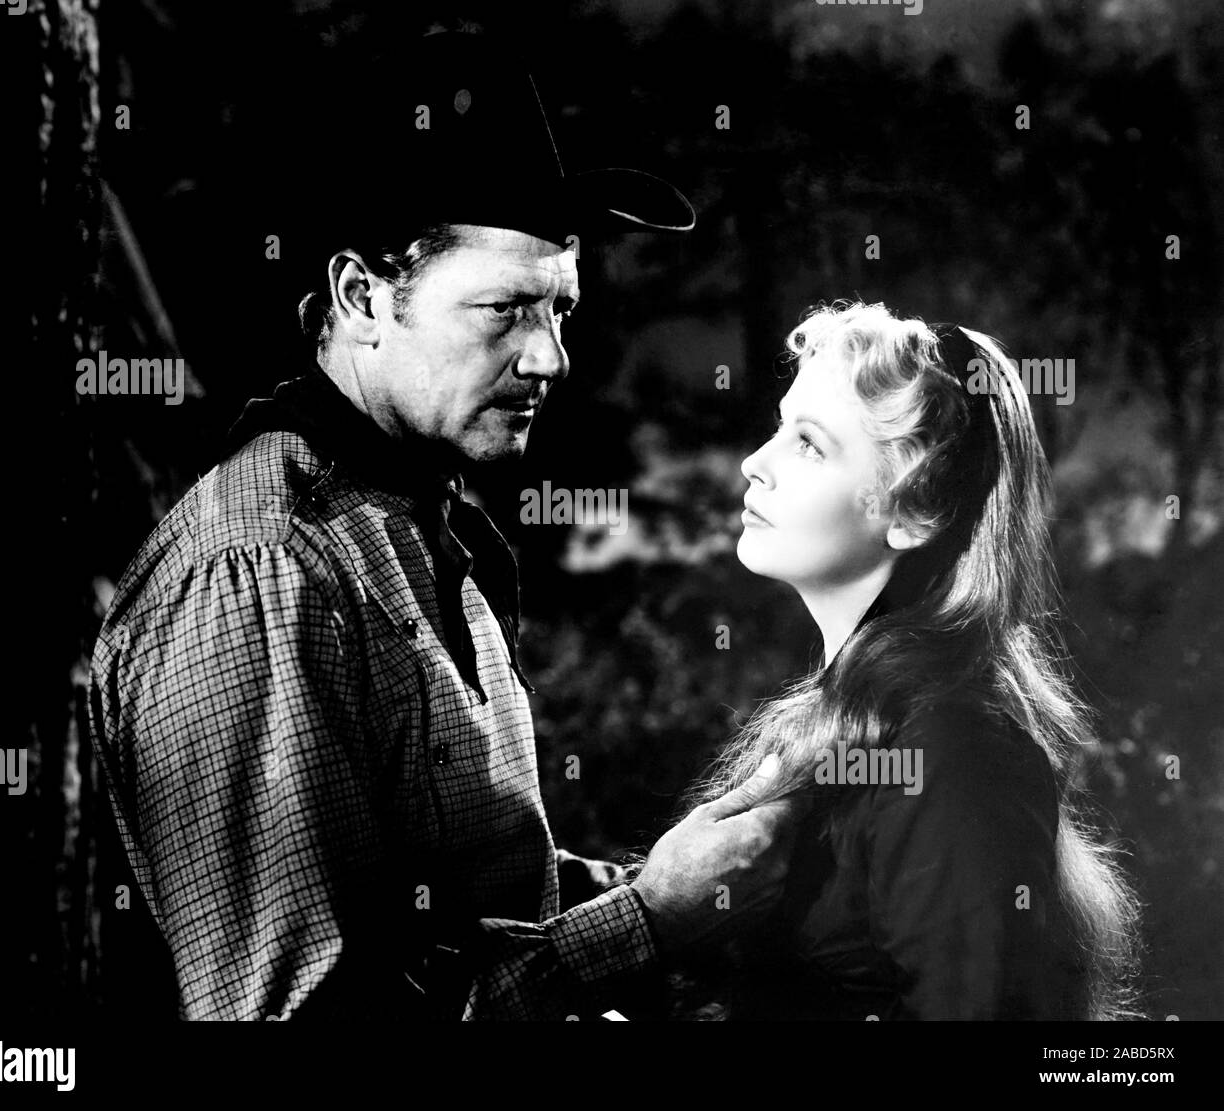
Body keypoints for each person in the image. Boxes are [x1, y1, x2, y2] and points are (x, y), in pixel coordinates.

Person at [86, 30, 796, 1021]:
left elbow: (472, 905)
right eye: (504, 310)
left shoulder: (421, 528)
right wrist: (649, 923)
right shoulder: (261, 568)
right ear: (361, 298)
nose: (549, 359)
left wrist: (688, 891)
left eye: (561, 311)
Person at [676, 300, 1142, 1020]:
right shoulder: (844, 717)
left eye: (808, 444)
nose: (754, 463)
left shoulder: (952, 746)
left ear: (915, 510)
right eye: (779, 426)